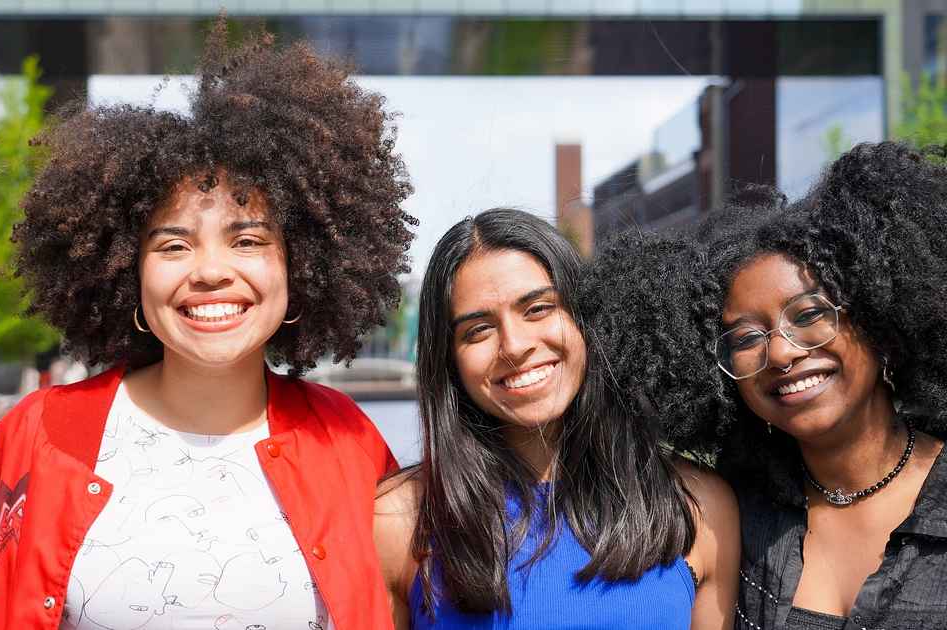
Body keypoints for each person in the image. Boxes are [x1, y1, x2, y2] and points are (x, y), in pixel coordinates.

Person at [0, 20, 417, 630]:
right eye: (174, 245)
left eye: (247, 239)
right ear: (127, 272)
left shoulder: (349, 441)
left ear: (301, 267)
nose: (211, 271)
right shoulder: (41, 432)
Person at [587, 142, 947, 629]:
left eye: (810, 314)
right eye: (746, 337)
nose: (780, 353)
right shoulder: (731, 513)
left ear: (878, 317)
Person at [373, 208, 739, 629]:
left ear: (586, 318)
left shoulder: (699, 506)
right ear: (448, 360)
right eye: (478, 330)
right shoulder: (399, 520)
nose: (514, 345)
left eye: (538, 309)